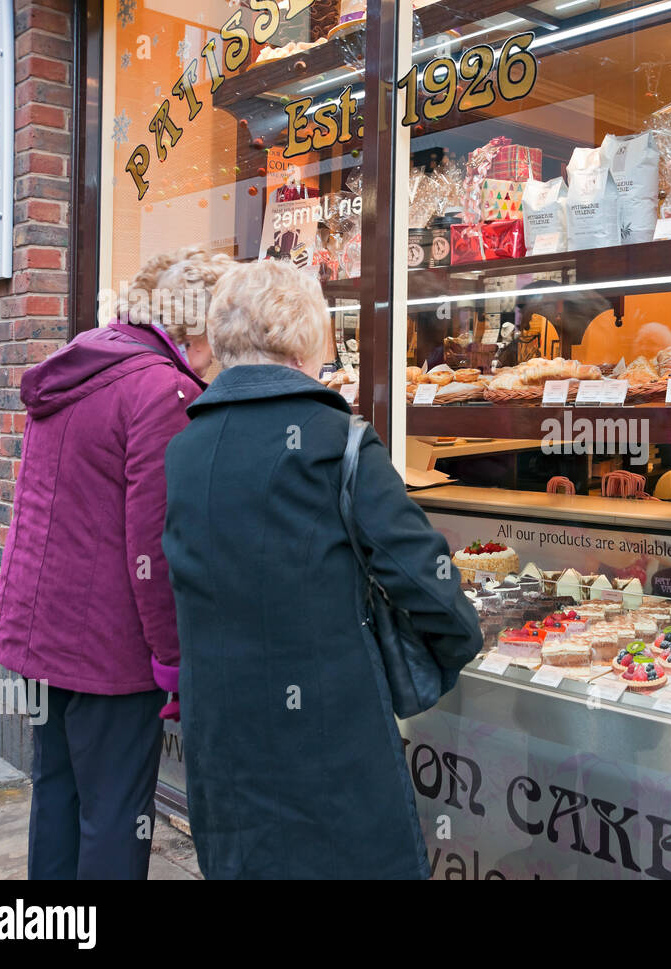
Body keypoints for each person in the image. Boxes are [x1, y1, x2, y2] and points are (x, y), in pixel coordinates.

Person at [163, 259, 483, 879]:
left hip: (221, 737)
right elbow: (426, 582)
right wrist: (447, 654)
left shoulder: (185, 448)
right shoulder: (337, 441)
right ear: (309, 337)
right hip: (332, 742)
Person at [0, 246, 230, 879]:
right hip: (109, 651)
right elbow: (157, 544)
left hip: (41, 634)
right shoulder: (163, 388)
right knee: (117, 816)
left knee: (59, 793)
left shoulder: (83, 365)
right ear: (194, 327)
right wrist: (176, 662)